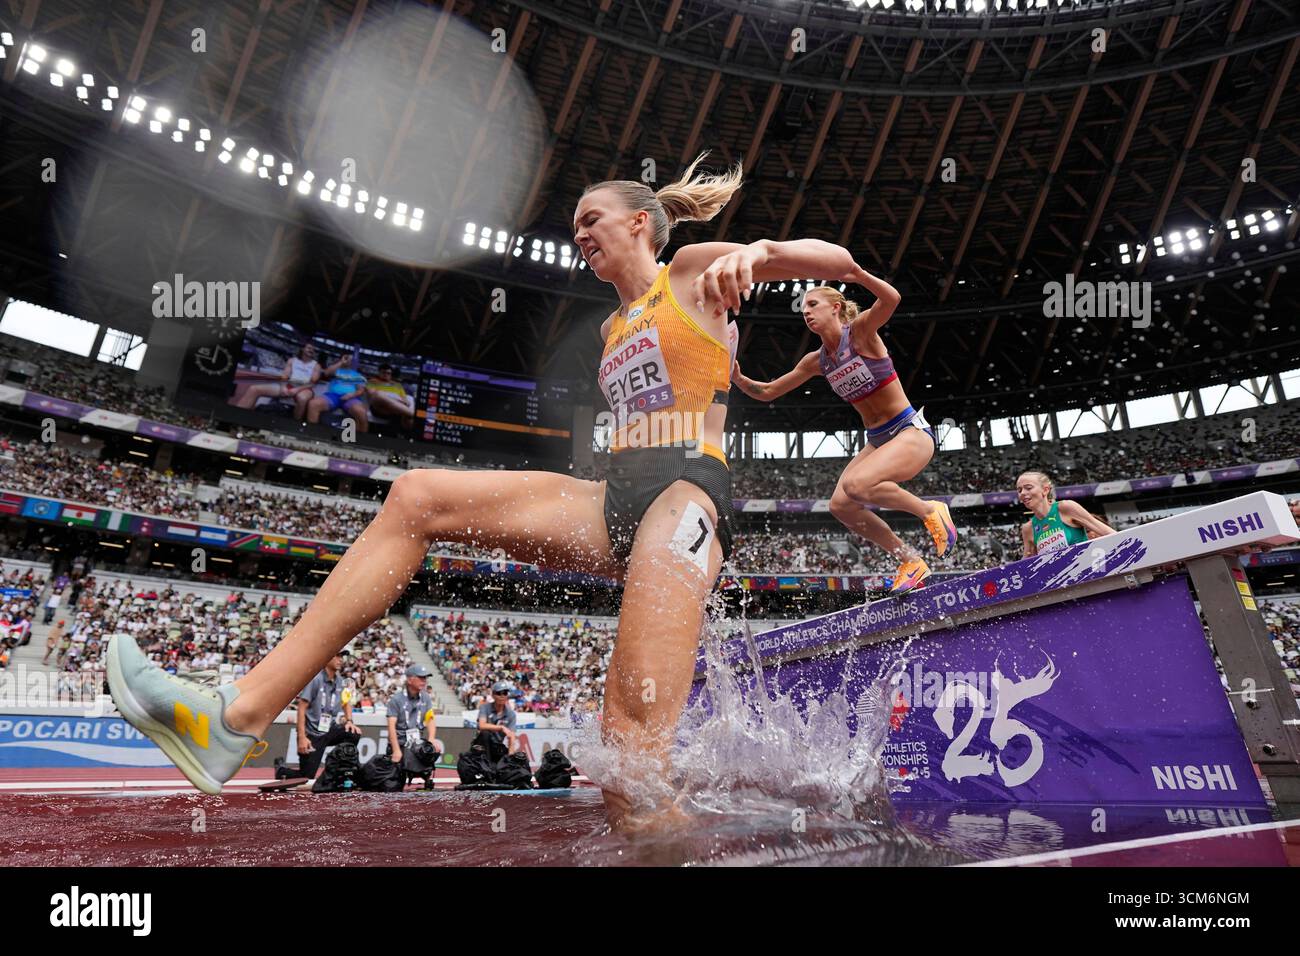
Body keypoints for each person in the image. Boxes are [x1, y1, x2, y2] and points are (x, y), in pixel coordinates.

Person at [105, 151, 882, 827]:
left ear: (642, 224)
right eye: (575, 224)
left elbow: (835, 258)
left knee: (630, 774)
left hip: (687, 494)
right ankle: (234, 716)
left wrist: (763, 253)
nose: (579, 234)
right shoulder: (614, 330)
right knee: (416, 497)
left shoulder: (690, 272)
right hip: (617, 496)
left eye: (591, 218)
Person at [732, 284, 956, 593]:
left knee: (857, 485)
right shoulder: (817, 361)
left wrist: (856, 274)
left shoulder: (861, 332)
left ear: (836, 307)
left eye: (812, 304)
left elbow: (892, 298)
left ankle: (930, 511)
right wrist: (739, 379)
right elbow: (769, 391)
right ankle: (910, 560)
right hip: (879, 440)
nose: (806, 311)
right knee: (841, 505)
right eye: (803, 309)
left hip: (910, 432)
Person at [294, 649, 360, 779]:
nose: (341, 659)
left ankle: (340, 770)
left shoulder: (342, 681)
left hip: (329, 730)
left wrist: (349, 721)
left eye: (342, 657)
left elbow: (346, 703)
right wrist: (302, 737)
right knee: (306, 777)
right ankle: (281, 770)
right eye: (337, 656)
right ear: (327, 657)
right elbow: (301, 707)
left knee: (353, 734)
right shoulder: (315, 679)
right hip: (313, 734)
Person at [1017, 471, 1116, 556]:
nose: (1022, 493)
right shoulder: (1028, 529)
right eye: (1019, 490)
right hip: (1057, 577)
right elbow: (1026, 566)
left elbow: (1111, 534)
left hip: (1087, 574)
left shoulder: (1066, 507)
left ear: (1045, 490)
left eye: (1028, 488)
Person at [233, 342, 322, 416]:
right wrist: (283, 386)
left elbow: (312, 383)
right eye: (309, 348)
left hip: (305, 388)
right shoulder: (292, 360)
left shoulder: (316, 365)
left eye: (313, 350)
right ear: (302, 349)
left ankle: (295, 423)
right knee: (254, 389)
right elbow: (284, 376)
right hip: (290, 384)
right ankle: (238, 415)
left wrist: (296, 390)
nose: (311, 350)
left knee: (302, 398)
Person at [386, 664, 436, 767]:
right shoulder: (396, 700)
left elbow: (430, 720)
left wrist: (431, 742)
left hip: (417, 743)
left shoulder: (426, 697)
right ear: (409, 680)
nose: (424, 681)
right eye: (421, 678)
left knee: (435, 752)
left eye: (425, 678)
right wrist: (396, 750)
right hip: (400, 743)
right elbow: (391, 727)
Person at [305, 353, 370, 429]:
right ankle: (312, 433)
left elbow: (360, 391)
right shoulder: (336, 370)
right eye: (347, 358)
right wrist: (341, 362)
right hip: (333, 396)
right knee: (313, 404)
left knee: (361, 413)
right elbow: (326, 373)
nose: (349, 360)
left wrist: (350, 395)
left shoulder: (358, 375)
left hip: (351, 398)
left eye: (351, 359)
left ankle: (358, 439)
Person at [365, 364, 415, 431]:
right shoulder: (372, 382)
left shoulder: (397, 385)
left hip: (397, 408)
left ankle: (408, 431)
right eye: (383, 372)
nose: (386, 374)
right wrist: (394, 399)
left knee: (410, 399)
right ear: (379, 372)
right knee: (378, 394)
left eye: (388, 373)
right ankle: (413, 414)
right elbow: (372, 394)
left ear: (391, 374)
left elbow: (405, 400)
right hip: (380, 406)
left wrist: (400, 401)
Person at [477, 681, 518, 755]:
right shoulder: (484, 707)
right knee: (485, 733)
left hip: (498, 746)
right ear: (493, 695)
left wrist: (511, 753)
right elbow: (482, 725)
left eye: (505, 693)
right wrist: (501, 727)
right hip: (481, 747)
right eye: (499, 693)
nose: (502, 696)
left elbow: (512, 734)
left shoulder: (511, 714)